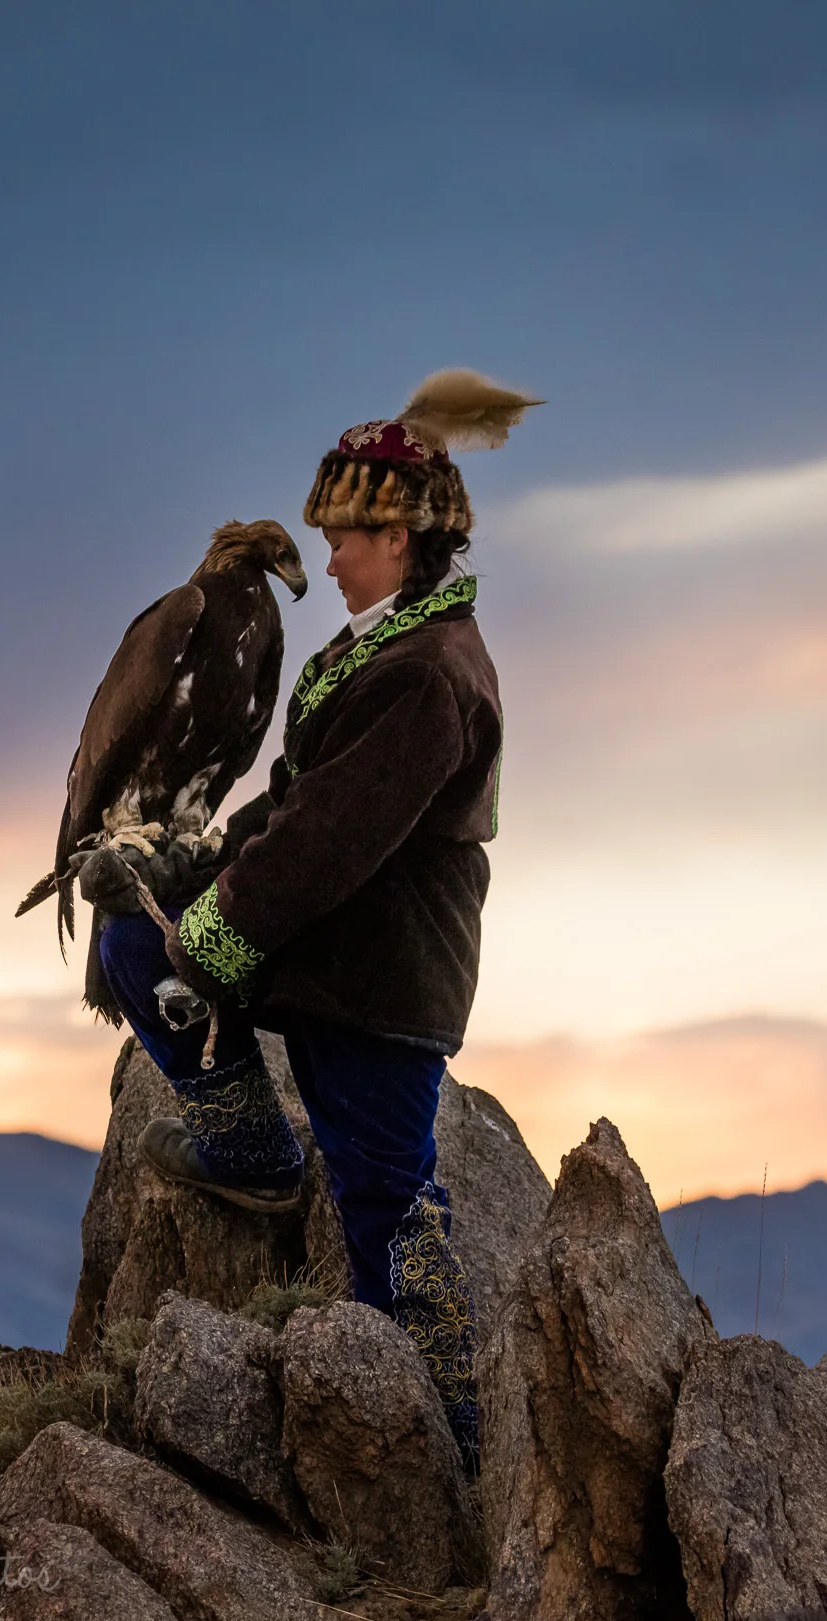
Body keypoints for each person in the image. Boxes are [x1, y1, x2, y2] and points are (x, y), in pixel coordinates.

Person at [78, 372, 530, 1472]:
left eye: (346, 536)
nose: (326, 559)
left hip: (382, 980)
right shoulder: (370, 650)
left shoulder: (431, 672)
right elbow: (284, 808)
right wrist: (183, 865)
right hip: (327, 948)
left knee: (388, 1208)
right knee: (129, 929)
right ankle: (246, 1142)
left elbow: (328, 838)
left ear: (405, 535)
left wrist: (213, 944)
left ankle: (447, 1448)